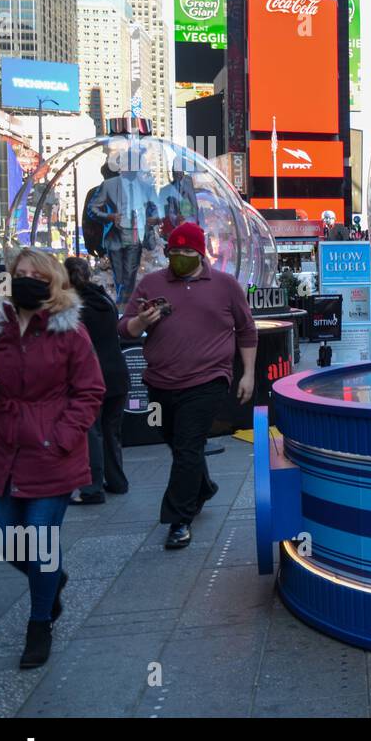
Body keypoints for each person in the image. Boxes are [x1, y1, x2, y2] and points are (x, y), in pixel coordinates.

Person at [0, 248, 104, 668]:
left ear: (52, 281)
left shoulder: (70, 331)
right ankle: (53, 579)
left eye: (35, 275)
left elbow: (90, 390)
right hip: (0, 451)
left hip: (50, 454)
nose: (25, 279)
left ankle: (39, 622)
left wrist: (60, 438)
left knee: (38, 541)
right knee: (4, 538)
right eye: (18, 273)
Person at [119, 222, 257, 549]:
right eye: (174, 251)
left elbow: (246, 330)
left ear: (200, 252)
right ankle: (203, 486)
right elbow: (125, 328)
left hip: (208, 379)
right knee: (180, 444)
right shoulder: (151, 284)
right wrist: (141, 322)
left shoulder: (225, 286)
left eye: (186, 251)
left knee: (186, 446)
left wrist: (248, 373)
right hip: (161, 381)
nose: (179, 256)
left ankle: (178, 519)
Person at [65, 258, 130, 505]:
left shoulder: (73, 308)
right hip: (118, 372)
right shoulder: (105, 300)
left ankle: (92, 488)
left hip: (92, 376)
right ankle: (117, 481)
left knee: (91, 432)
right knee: (112, 431)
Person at [86, 142, 161, 306]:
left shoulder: (147, 187)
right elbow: (92, 209)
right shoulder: (109, 185)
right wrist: (110, 216)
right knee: (118, 276)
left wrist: (153, 219)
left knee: (129, 276)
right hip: (115, 236)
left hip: (136, 236)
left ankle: (125, 309)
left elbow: (157, 208)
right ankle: (120, 307)